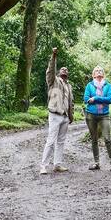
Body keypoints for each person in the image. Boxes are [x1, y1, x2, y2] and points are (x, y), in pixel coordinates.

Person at [40, 47, 74, 175]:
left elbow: (71, 102)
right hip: (54, 114)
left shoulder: (68, 85)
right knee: (51, 140)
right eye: (62, 69)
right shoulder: (54, 81)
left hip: (65, 117)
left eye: (66, 70)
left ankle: (57, 165)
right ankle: (43, 166)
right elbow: (50, 70)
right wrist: (53, 56)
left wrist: (71, 116)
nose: (64, 70)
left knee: (61, 142)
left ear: (68, 73)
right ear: (59, 72)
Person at [83, 65, 111, 171]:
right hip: (91, 115)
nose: (99, 72)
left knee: (107, 138)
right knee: (94, 139)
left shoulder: (108, 86)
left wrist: (96, 98)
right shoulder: (89, 85)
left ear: (103, 74)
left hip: (104, 115)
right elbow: (86, 99)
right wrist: (97, 99)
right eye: (96, 71)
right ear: (93, 74)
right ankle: (96, 163)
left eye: (100, 71)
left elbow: (110, 100)